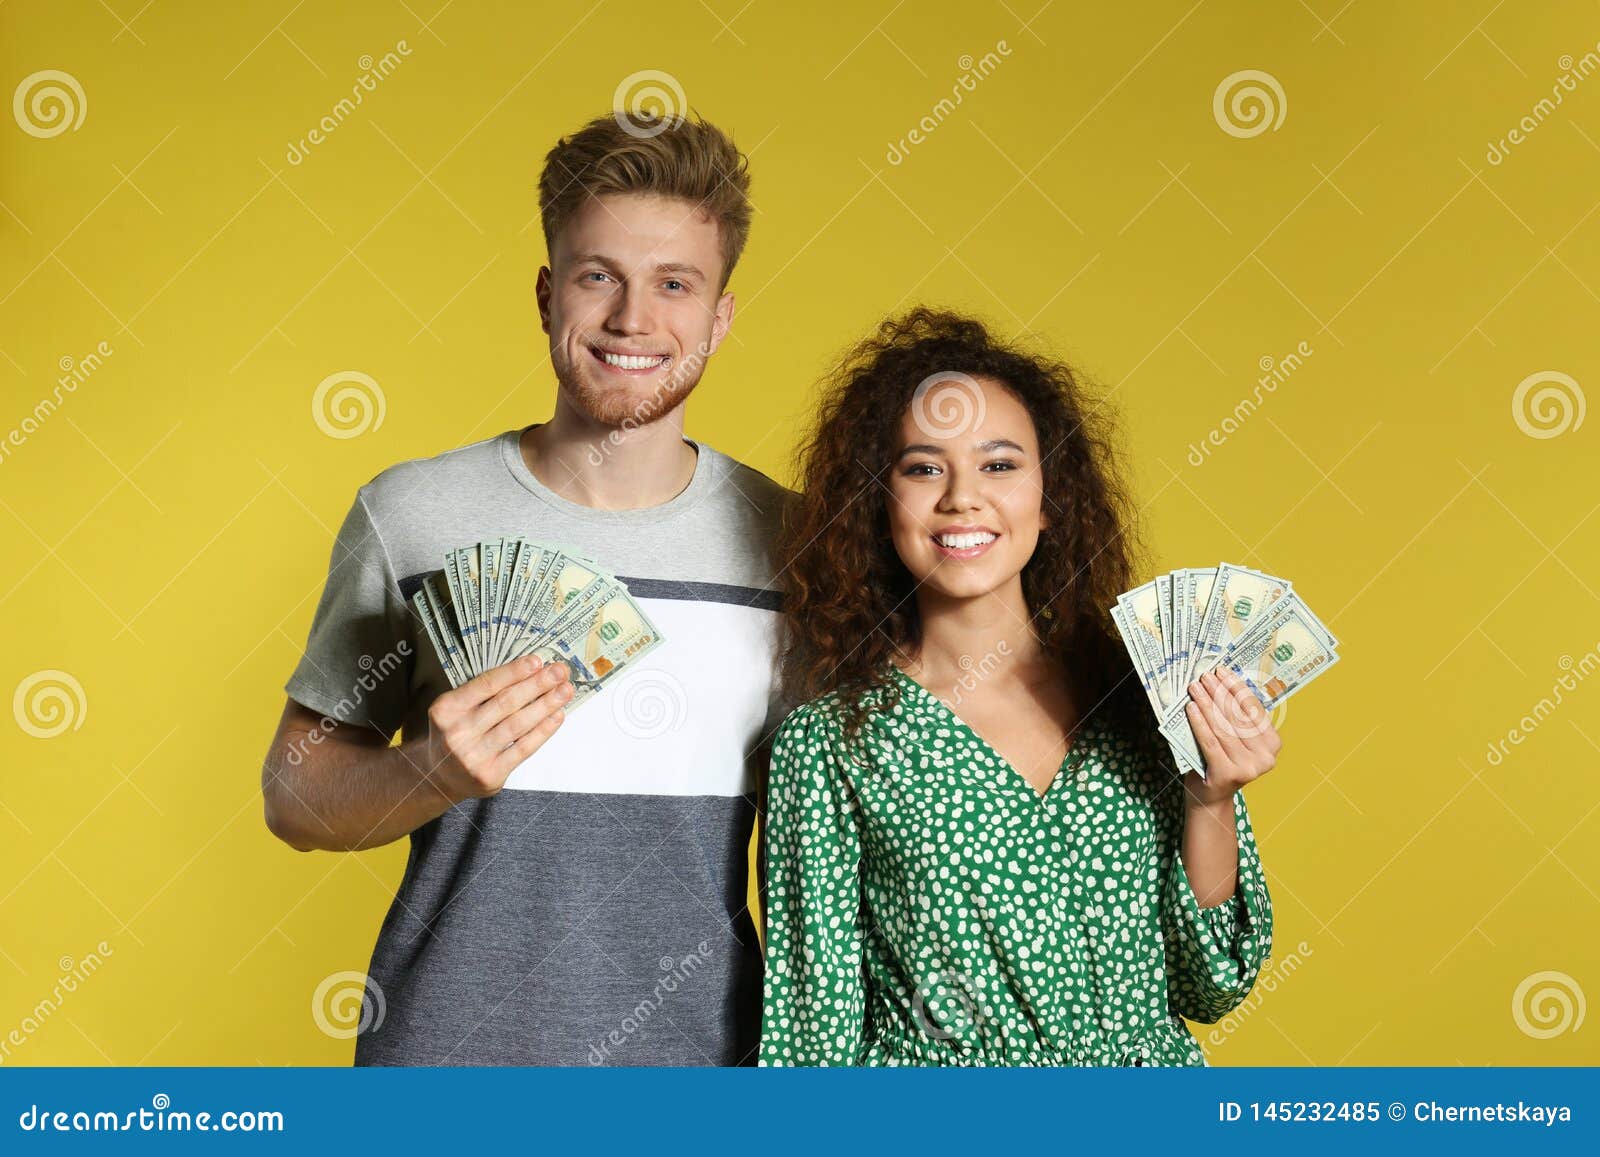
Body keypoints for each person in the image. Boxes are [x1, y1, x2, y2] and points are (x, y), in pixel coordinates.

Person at [262, 110, 793, 1066]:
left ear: (720, 317)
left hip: (703, 1071)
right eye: (600, 277)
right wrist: (425, 772)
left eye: (675, 284)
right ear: (548, 294)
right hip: (444, 1065)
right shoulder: (411, 513)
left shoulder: (793, 545)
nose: (634, 320)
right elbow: (294, 796)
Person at [758, 307, 1278, 1066]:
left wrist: (1211, 797)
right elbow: (812, 1039)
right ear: (878, 501)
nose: (963, 496)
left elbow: (1213, 985)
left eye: (999, 464)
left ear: (1050, 494)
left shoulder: (1146, 695)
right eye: (923, 466)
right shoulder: (832, 744)